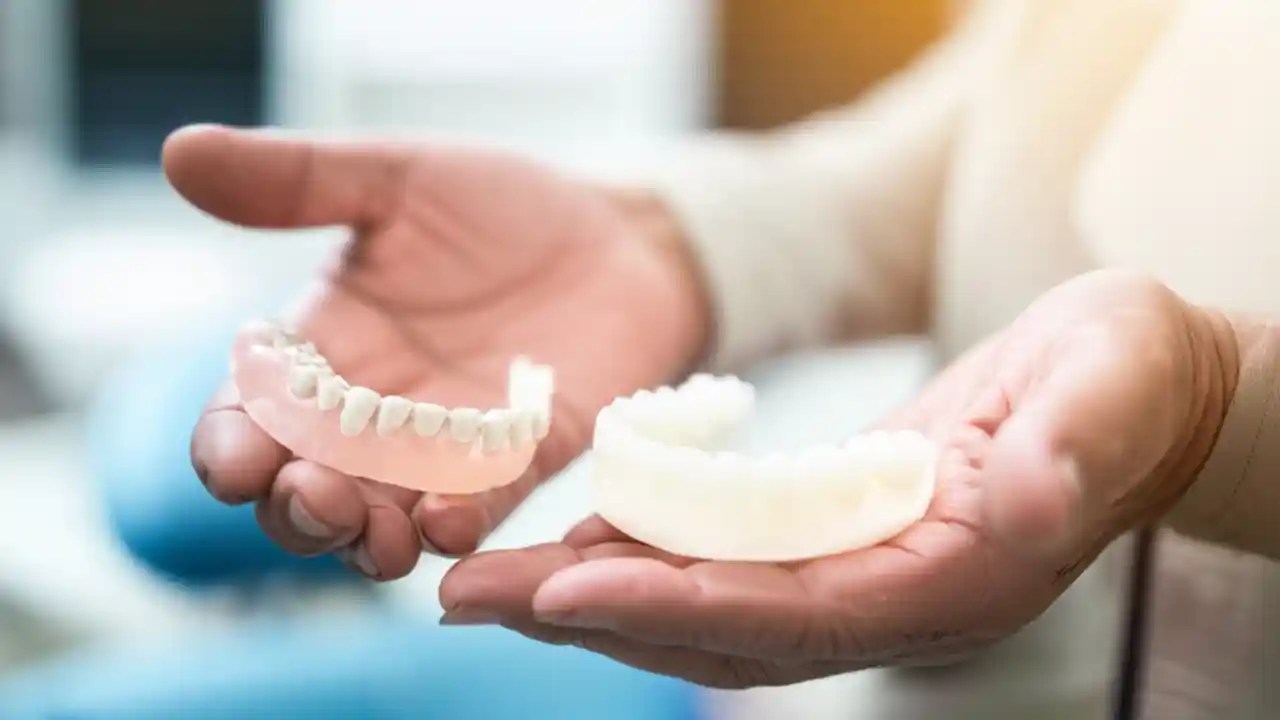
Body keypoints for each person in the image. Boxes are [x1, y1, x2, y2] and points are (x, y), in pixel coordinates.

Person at [165, 0, 1279, 715]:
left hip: (951, 690)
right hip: (851, 691)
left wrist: (1219, 424)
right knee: (162, 486)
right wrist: (675, 243)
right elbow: (1015, 116)